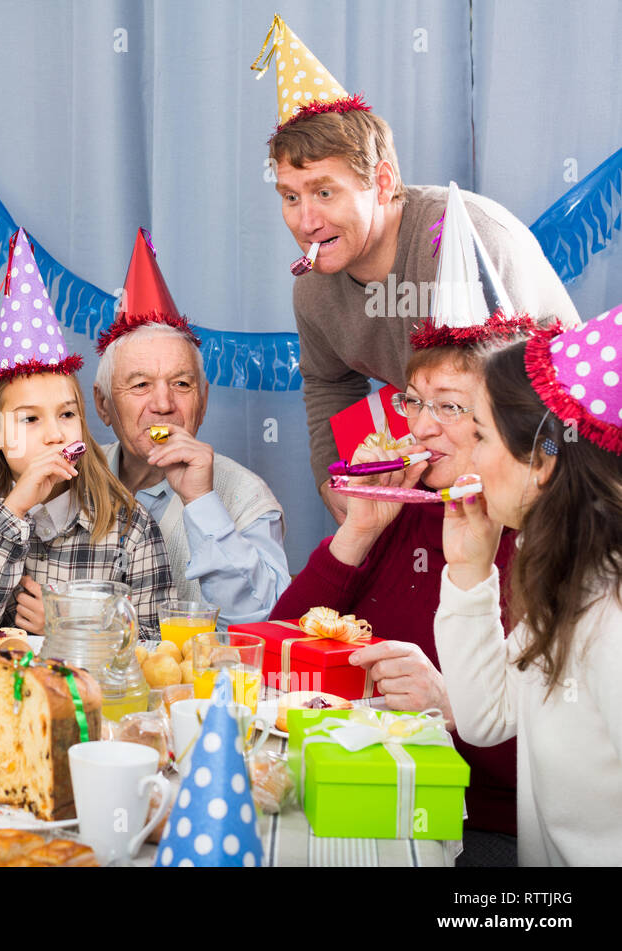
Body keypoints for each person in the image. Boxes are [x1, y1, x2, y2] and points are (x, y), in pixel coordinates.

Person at [271, 188, 557, 865]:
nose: (419, 427)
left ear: (512, 426)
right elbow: (279, 654)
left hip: (495, 830)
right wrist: (359, 531)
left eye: (450, 408)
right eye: (413, 401)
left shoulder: (554, 545)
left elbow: (576, 761)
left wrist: (454, 705)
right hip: (355, 792)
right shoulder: (407, 503)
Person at [250, 14, 580, 521]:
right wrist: (331, 477)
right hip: (452, 460)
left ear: (382, 183)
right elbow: (328, 381)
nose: (306, 220)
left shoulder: (463, 240)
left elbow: (508, 393)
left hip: (552, 459)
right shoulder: (314, 290)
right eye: (290, 197)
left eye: (324, 191)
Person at [437, 313, 622, 866]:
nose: (469, 459)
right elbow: (487, 717)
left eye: (481, 436)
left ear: (542, 459)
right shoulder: (571, 574)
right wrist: (469, 572)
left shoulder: (611, 613)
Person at [0, 229, 172, 640]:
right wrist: (15, 508)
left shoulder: (129, 526)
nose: (54, 436)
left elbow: (158, 646)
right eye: (30, 420)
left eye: (66, 415)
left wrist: (69, 627)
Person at [93, 229, 288, 625]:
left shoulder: (248, 496)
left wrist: (201, 502)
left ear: (203, 403)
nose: (163, 404)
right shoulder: (71, 476)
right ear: (103, 405)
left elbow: (261, 623)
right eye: (140, 384)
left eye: (181, 385)